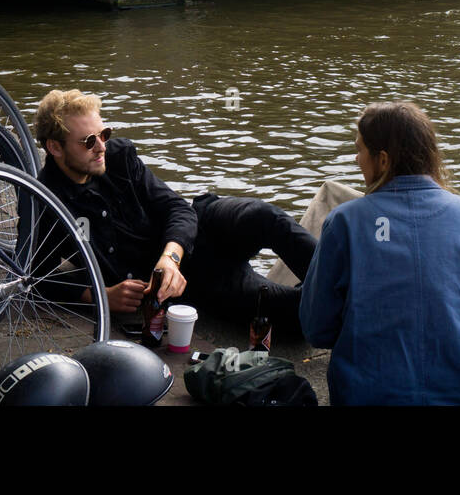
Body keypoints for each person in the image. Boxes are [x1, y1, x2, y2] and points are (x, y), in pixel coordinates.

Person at [33, 89, 317, 337]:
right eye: (89, 141)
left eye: (104, 134)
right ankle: (336, 302)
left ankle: (346, 280)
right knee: (295, 314)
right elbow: (35, 276)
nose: (102, 147)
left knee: (264, 216)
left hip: (202, 228)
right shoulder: (43, 199)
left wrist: (170, 257)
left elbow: (176, 208)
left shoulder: (119, 158)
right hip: (196, 281)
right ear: (55, 147)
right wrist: (101, 296)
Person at [299, 101, 460, 405]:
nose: (356, 158)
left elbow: (317, 329)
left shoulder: (346, 221)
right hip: (456, 395)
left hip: (367, 396)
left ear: (384, 160)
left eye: (360, 150)